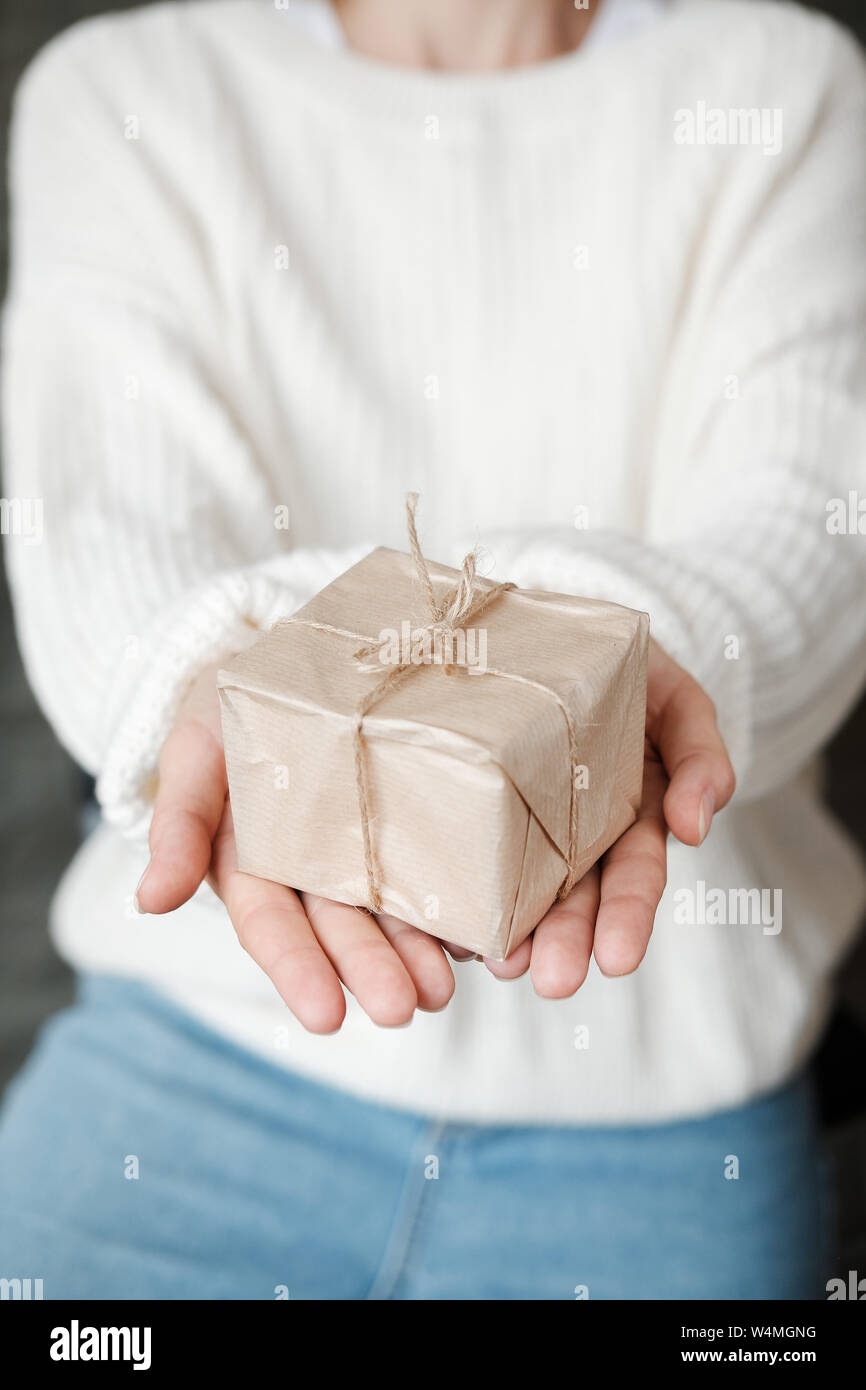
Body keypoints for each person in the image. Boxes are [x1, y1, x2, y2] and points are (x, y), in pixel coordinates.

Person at [1, 0, 864, 1300]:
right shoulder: (126, 88)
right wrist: (213, 678)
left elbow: (810, 520)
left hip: (663, 1088)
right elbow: (111, 541)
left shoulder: (782, 81)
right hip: (197, 1046)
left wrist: (604, 665)